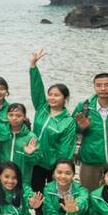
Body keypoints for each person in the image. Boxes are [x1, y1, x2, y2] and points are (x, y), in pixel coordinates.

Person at [28, 49, 76, 192]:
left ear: (65, 98)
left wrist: (59, 169)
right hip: (35, 160)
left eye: (57, 95)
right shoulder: (41, 108)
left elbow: (66, 149)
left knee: (53, 194)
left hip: (52, 166)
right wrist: (33, 66)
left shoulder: (68, 121)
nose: (52, 98)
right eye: (50, 95)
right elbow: (36, 89)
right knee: (36, 192)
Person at [73, 72, 108, 190]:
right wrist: (82, 127)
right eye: (98, 85)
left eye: (107, 85)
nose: (103, 89)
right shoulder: (84, 107)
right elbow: (73, 131)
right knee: (88, 195)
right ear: (94, 87)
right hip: (90, 161)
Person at [25, 158, 91, 215]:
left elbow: (83, 202)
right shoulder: (47, 190)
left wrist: (76, 208)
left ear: (73, 175)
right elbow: (50, 213)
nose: (63, 176)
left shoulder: (82, 190)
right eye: (59, 172)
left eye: (68, 173)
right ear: (53, 174)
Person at [0, 103, 39, 186]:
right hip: (3, 178)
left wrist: (30, 154)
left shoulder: (31, 137)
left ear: (24, 117)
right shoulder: (2, 134)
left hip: (22, 179)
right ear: (6, 116)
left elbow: (35, 161)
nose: (14, 118)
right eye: (11, 115)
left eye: (18, 116)